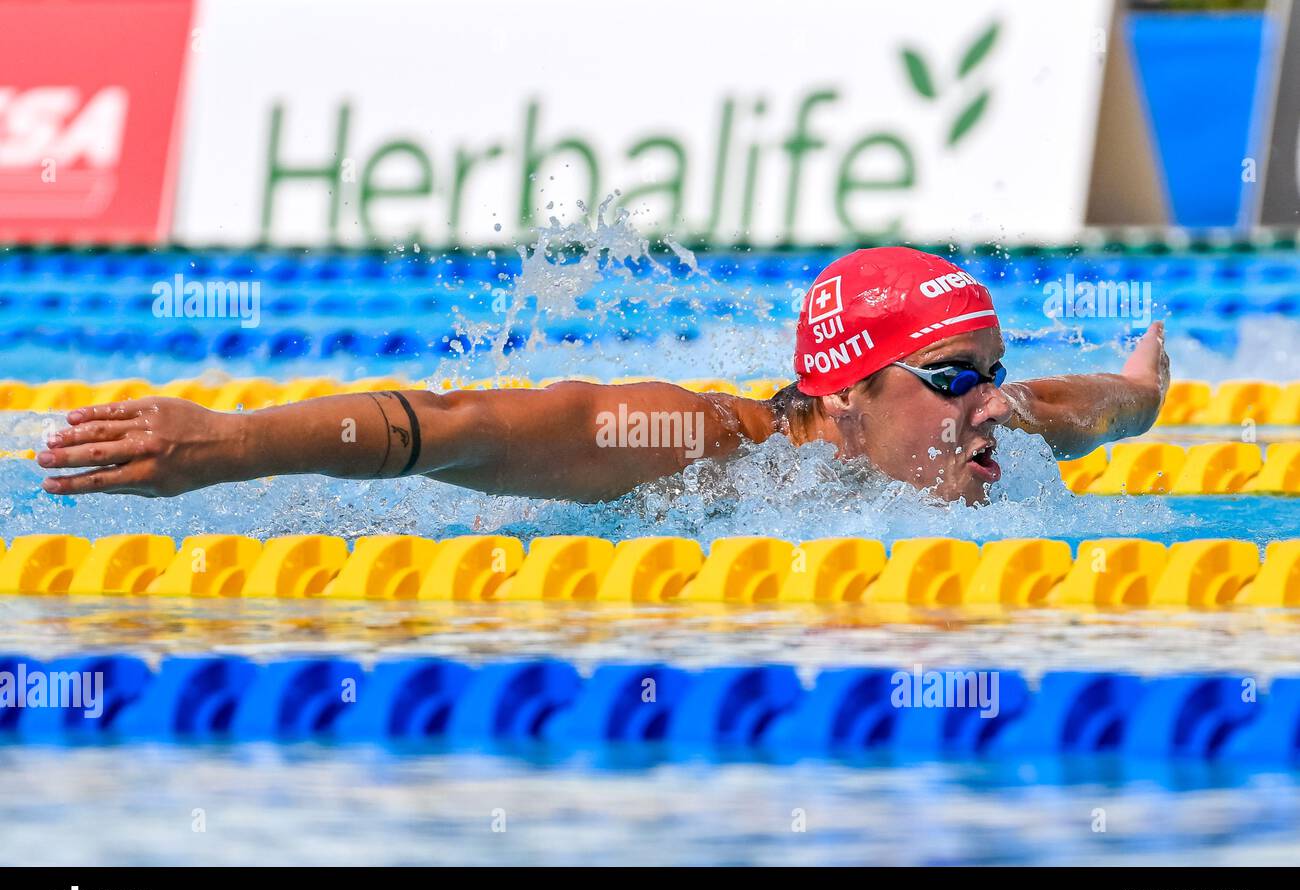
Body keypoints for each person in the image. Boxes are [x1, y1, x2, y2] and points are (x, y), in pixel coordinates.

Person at [36, 247, 1168, 506]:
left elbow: (1082, 406)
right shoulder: (691, 442)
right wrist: (226, 445)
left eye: (992, 373)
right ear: (842, 391)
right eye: (952, 374)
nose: (990, 402)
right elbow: (458, 421)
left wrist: (1144, 394)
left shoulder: (984, 433)